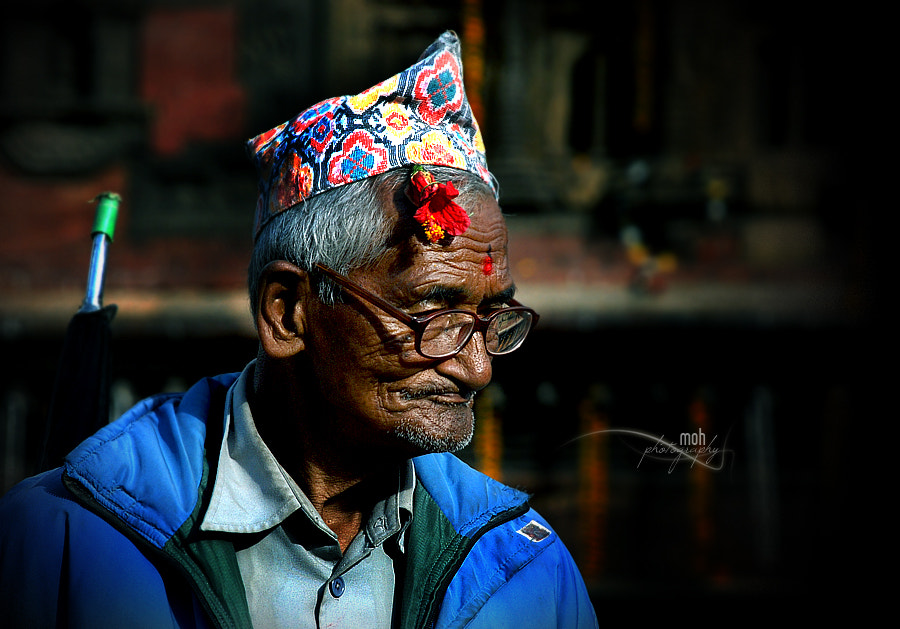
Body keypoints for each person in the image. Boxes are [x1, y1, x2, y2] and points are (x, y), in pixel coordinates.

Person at [0, 31, 598, 628]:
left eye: (493, 319)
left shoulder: (525, 574)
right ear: (287, 312)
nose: (479, 368)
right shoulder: (68, 542)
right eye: (434, 314)